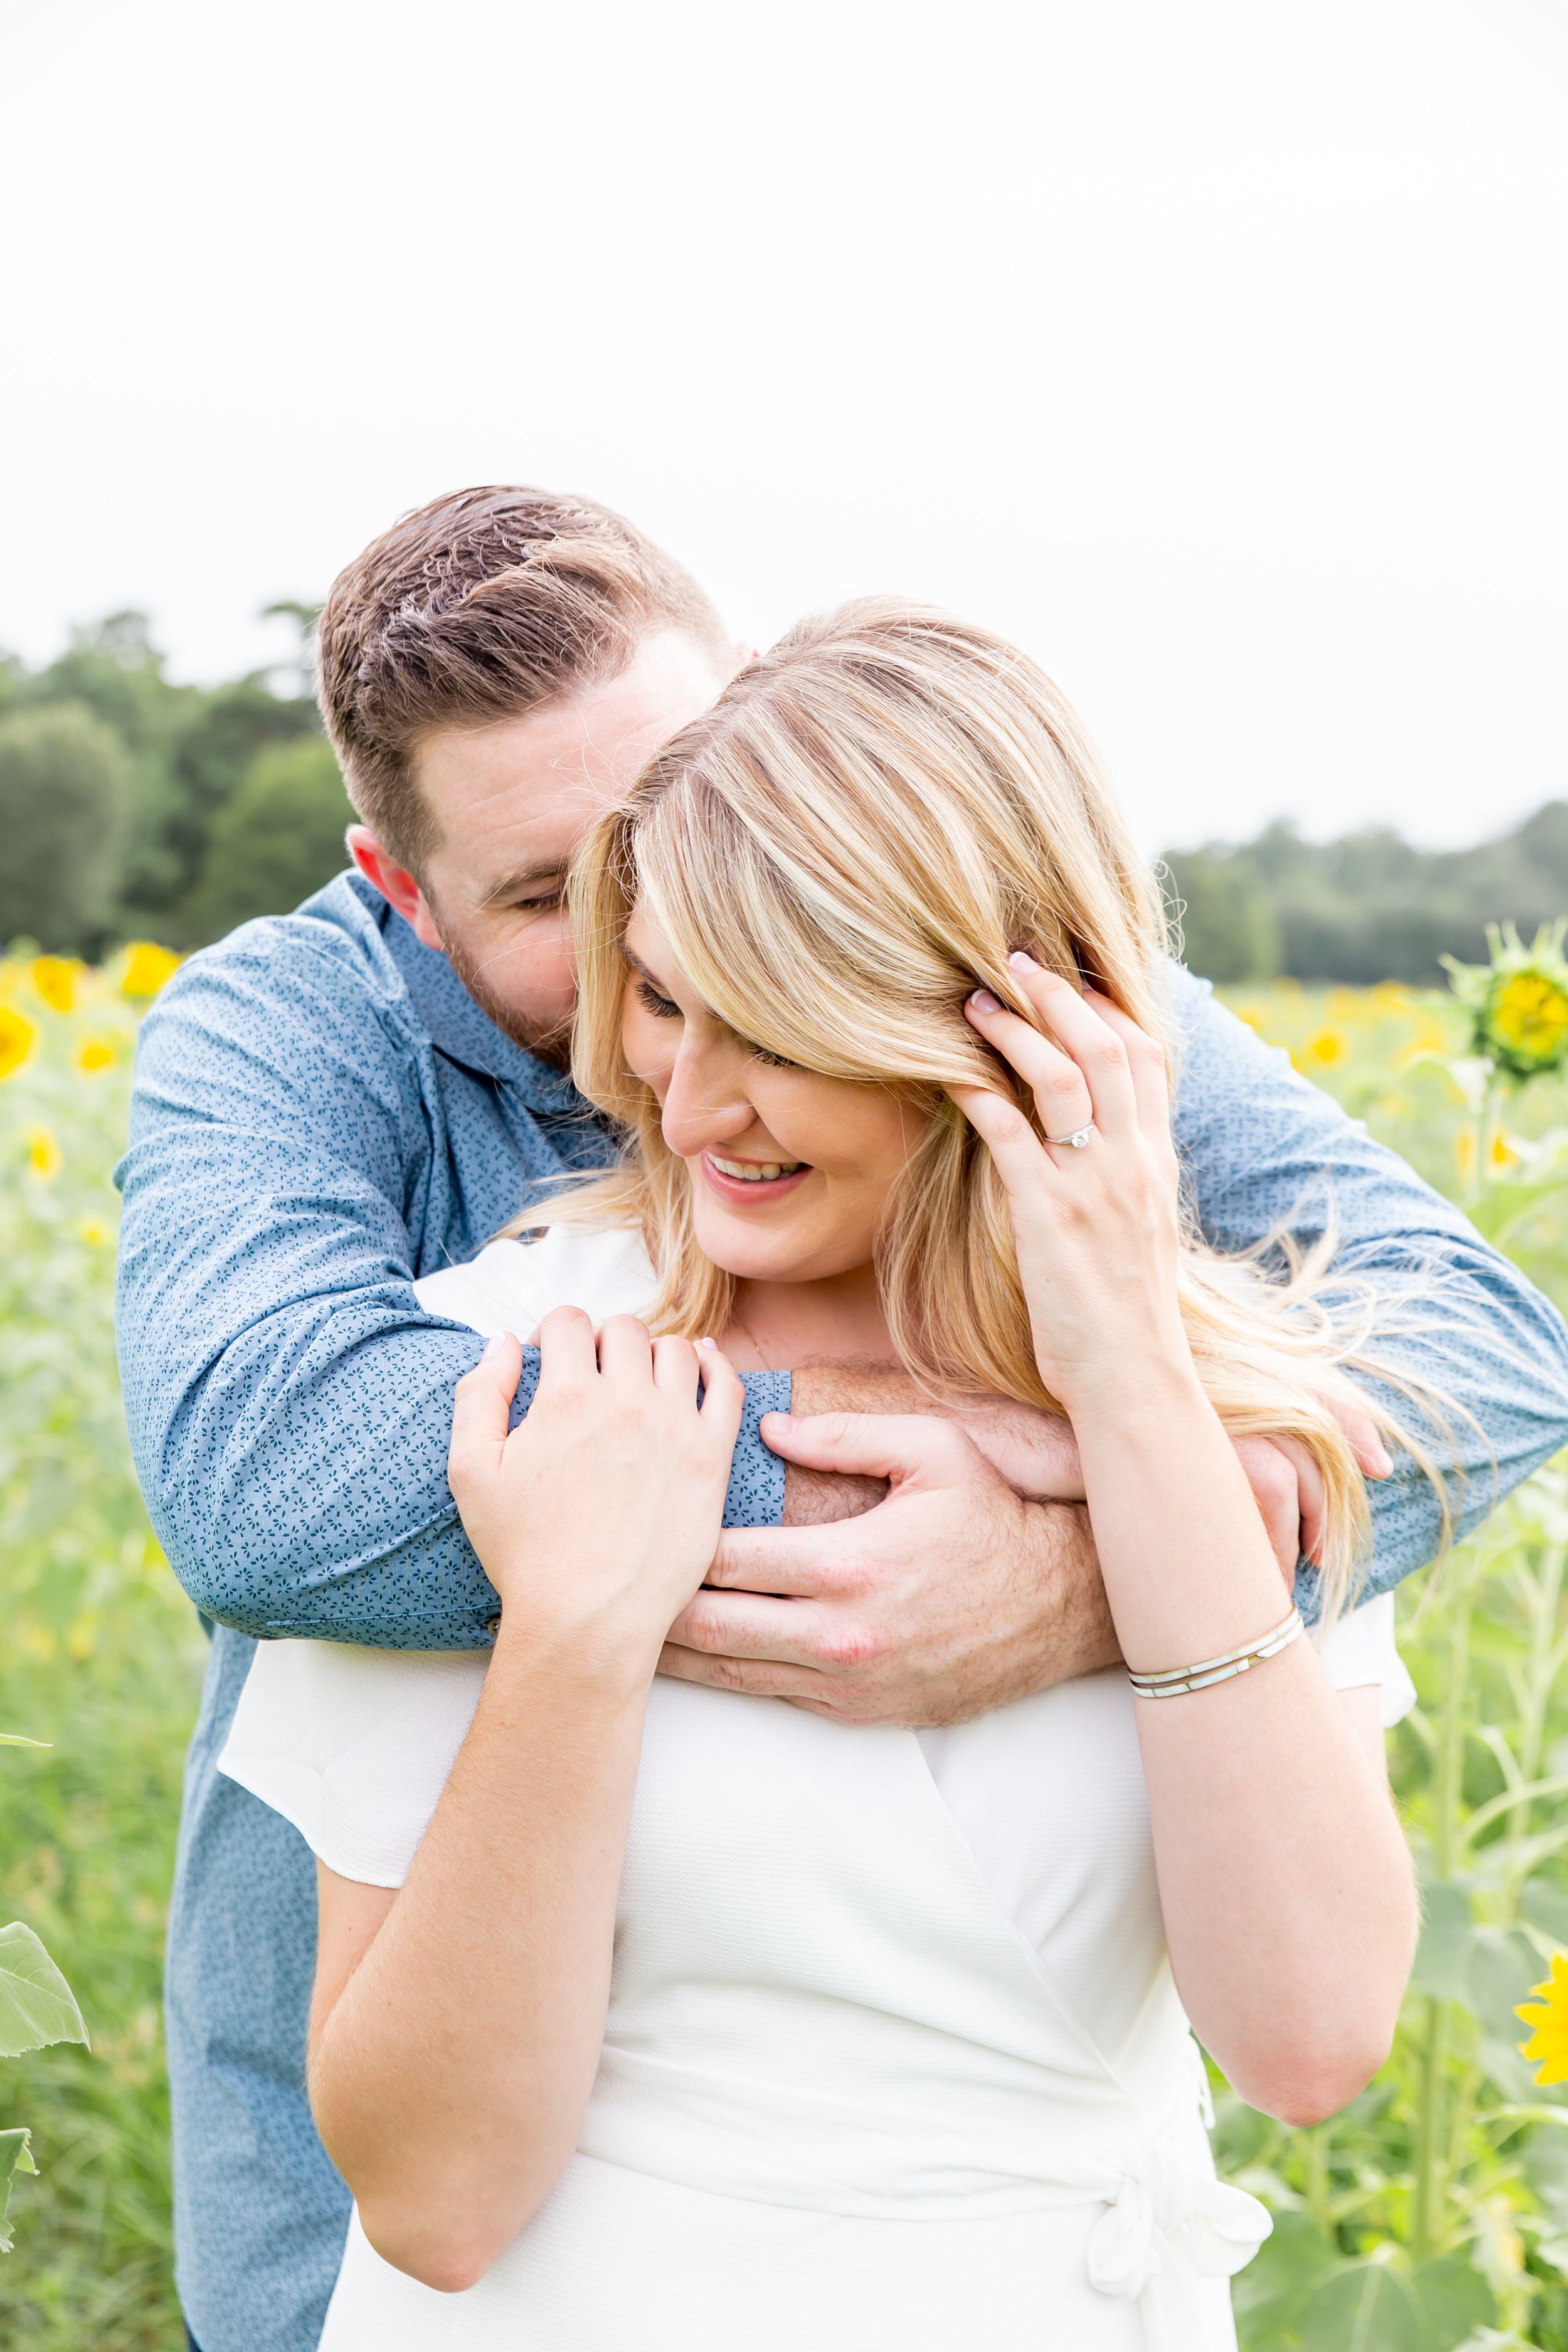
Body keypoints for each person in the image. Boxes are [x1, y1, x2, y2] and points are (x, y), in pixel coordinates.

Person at [114, 492, 1568, 2352]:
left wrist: (1114, 1486)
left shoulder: (1172, 1336)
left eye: (766, 949)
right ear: (404, 893)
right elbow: (268, 1489)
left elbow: (1485, 1354)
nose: (683, 1071)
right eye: (598, 921)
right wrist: (684, 1512)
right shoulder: (482, 1330)